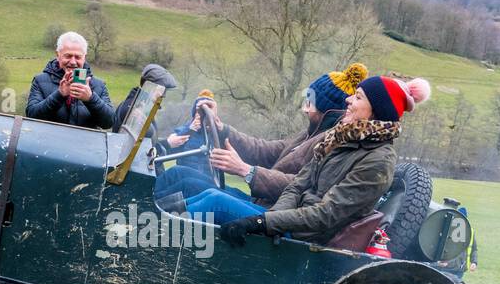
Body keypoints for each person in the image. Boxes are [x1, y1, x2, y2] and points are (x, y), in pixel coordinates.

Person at [214, 74, 431, 246]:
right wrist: (270, 220)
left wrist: (264, 222)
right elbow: (297, 185)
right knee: (209, 196)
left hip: (307, 239)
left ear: (375, 111)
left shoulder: (378, 161)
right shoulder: (340, 139)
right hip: (286, 223)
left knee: (213, 202)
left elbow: (327, 214)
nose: (348, 99)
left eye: (358, 97)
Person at [154, 64, 368, 205]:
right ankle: (145, 222)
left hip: (272, 213)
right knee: (179, 174)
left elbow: (302, 184)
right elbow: (266, 150)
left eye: (310, 101)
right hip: (260, 202)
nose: (304, 107)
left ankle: (159, 242)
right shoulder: (308, 134)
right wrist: (222, 129)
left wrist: (246, 170)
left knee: (197, 191)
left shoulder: (331, 141)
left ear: (326, 108)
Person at [25, 31, 114, 128]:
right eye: (68, 56)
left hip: (84, 143)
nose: (72, 62)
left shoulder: (98, 85)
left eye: (78, 57)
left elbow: (108, 123)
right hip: (48, 142)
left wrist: (90, 99)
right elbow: (31, 117)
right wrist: (59, 95)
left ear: (84, 57)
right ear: (58, 55)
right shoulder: (40, 81)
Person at [440, 204, 479, 278]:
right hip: (446, 268)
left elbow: (474, 249)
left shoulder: (470, 231)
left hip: (460, 269)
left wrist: (474, 262)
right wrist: (440, 262)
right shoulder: (447, 229)